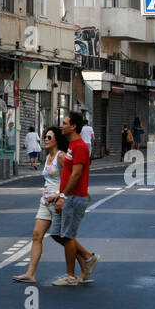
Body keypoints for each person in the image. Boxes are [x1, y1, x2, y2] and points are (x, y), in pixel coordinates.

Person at [50, 111, 97, 286]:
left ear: (73, 126)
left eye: (64, 122)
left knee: (68, 236)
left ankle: (70, 276)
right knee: (56, 234)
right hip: (69, 196)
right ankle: (87, 256)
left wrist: (63, 195)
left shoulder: (80, 147)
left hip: (74, 197)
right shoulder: (71, 146)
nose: (61, 125)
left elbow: (77, 174)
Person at [13, 125, 64, 284]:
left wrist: (61, 195)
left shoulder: (61, 157)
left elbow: (72, 176)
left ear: (57, 139)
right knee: (36, 235)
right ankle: (30, 273)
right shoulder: (48, 156)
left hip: (58, 203)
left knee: (64, 239)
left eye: (49, 137)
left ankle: (86, 259)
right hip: (45, 201)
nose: (45, 140)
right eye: (45, 137)